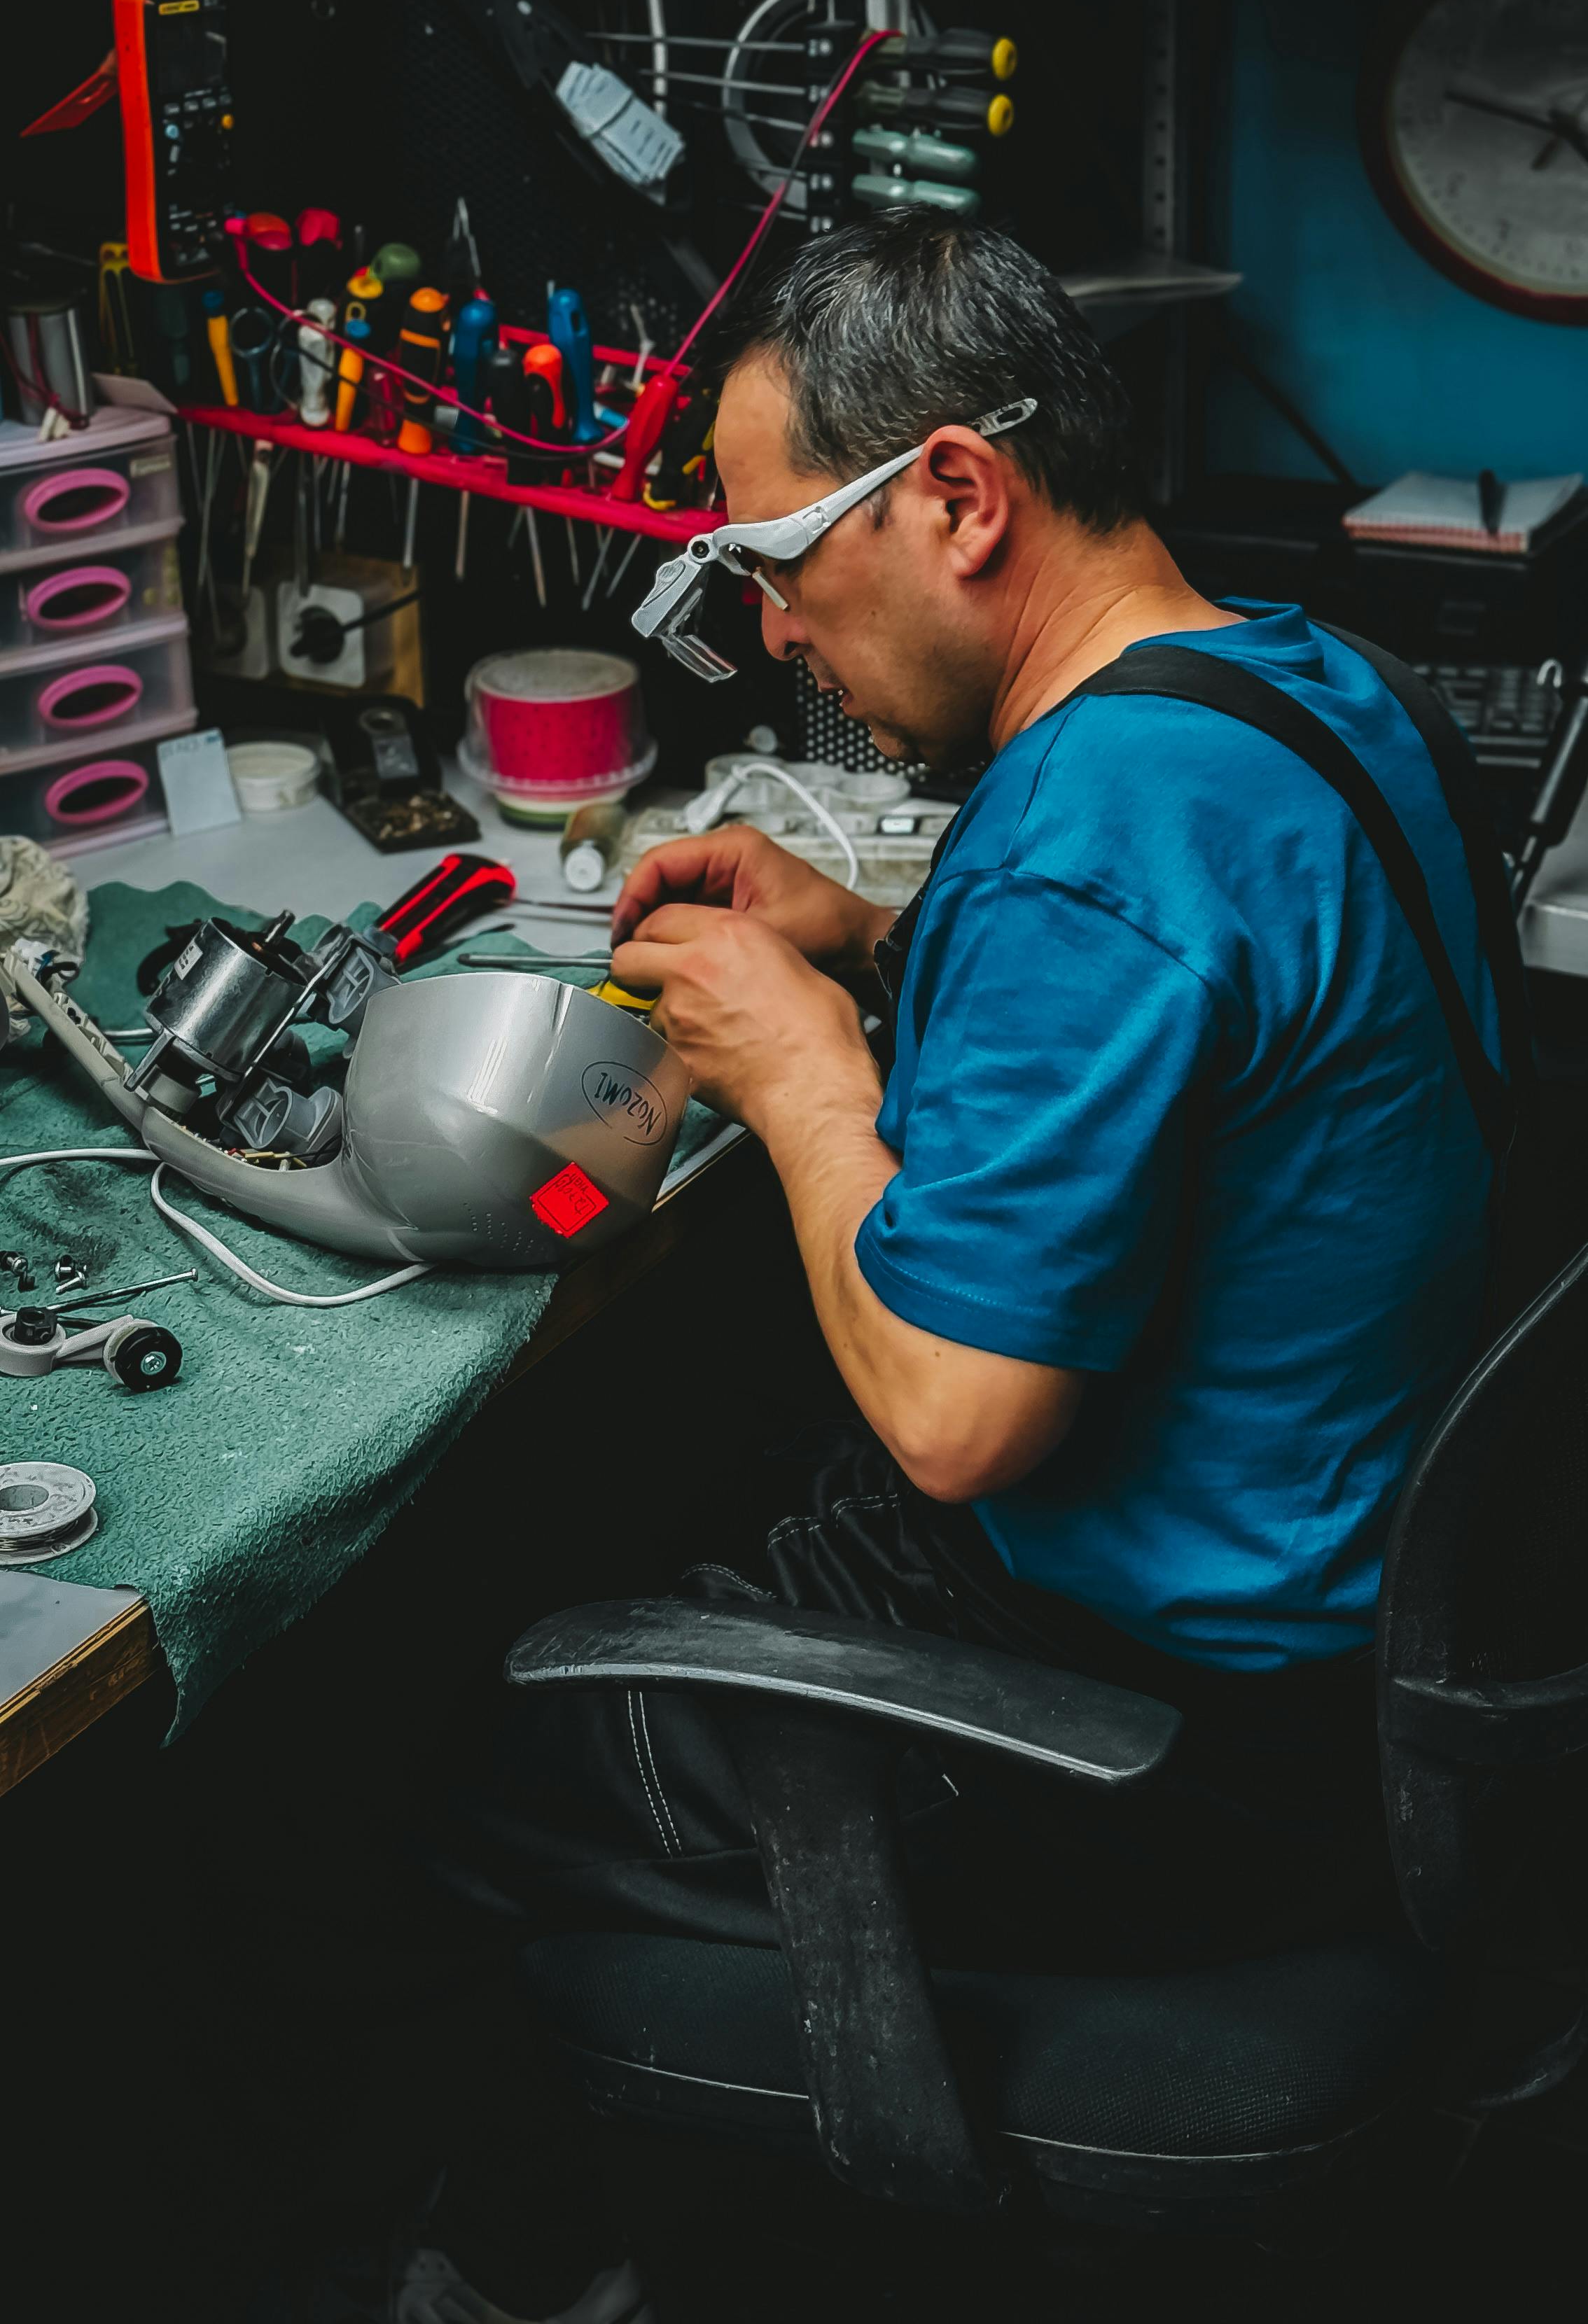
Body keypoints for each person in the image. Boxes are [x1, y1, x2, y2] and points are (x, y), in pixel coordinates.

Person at [437, 209, 1516, 2004]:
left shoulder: (1084, 859)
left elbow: (954, 1421)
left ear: (956, 496)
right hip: (1366, 1612)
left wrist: (797, 1070)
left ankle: (540, 2266)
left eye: (775, 560)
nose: (774, 634)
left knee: (434, 1770)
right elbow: (1209, 1020)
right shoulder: (1319, 687)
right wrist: (864, 935)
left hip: (1169, 1739)